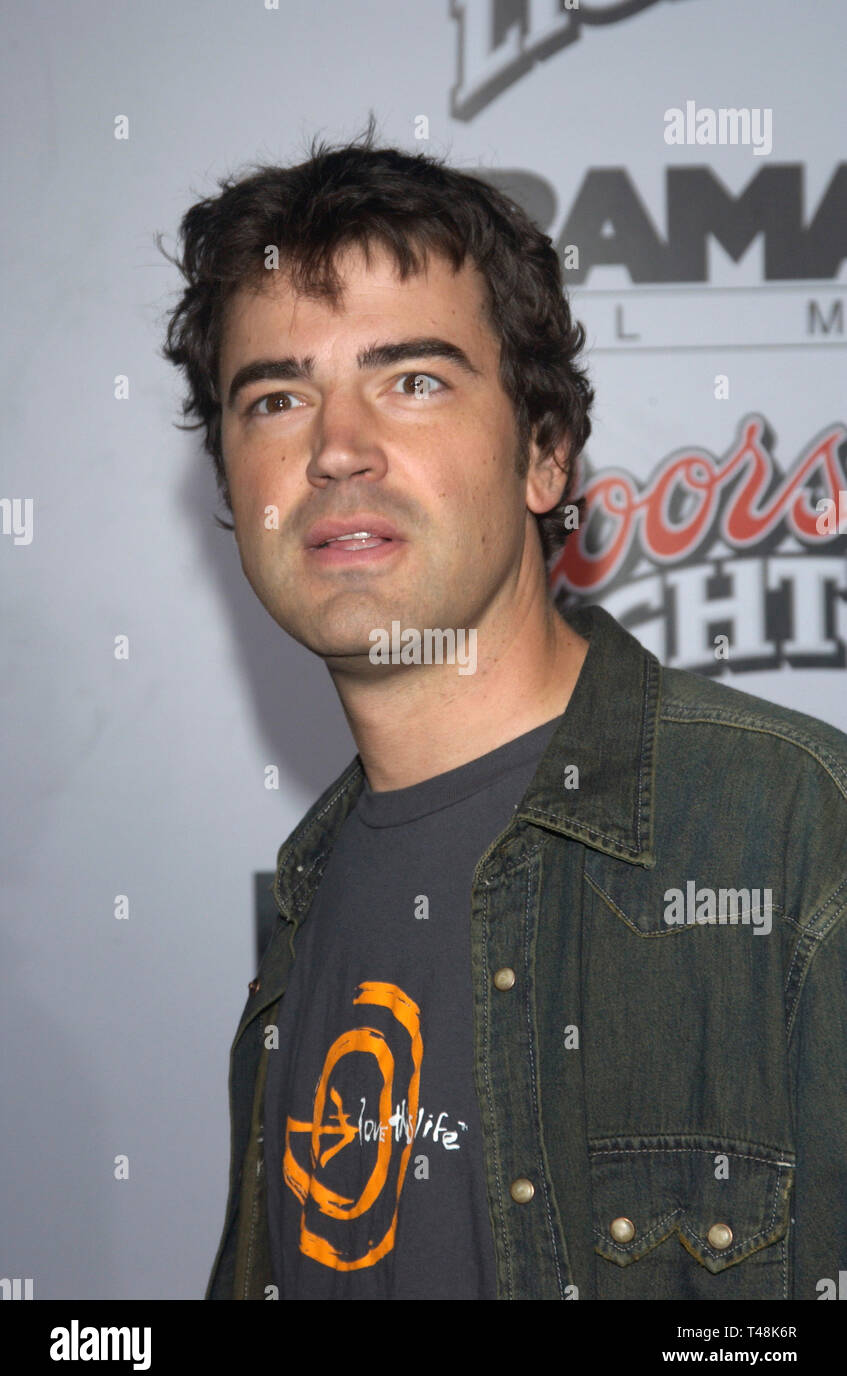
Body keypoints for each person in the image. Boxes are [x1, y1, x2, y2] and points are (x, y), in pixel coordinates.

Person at [160, 119, 847, 1301]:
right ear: (233, 485)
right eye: (276, 398)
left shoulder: (790, 837)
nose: (336, 449)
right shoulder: (306, 905)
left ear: (545, 456)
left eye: (412, 380)